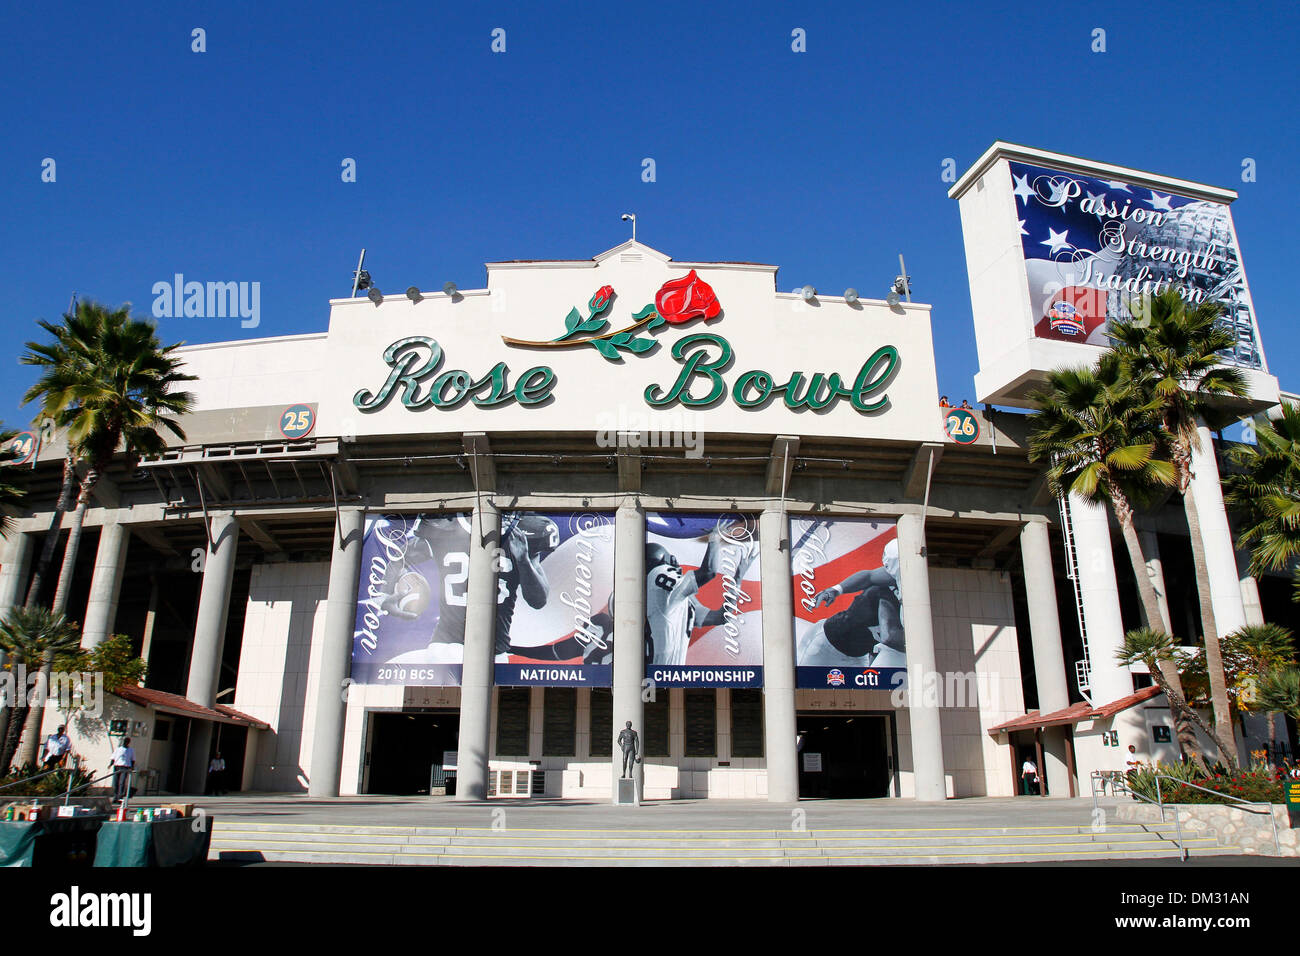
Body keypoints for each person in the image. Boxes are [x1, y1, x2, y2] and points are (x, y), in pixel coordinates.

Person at [645, 523, 758, 666]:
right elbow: (708, 572)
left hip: (668, 673)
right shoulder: (658, 578)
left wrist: (737, 579)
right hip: (659, 672)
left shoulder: (675, 603)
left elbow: (722, 617)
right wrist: (714, 538)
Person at [797, 539, 904, 667]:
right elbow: (890, 636)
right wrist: (836, 590)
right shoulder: (887, 587)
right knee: (802, 678)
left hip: (859, 654)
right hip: (827, 643)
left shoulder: (903, 577)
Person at [109, 737, 136, 803]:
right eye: (125, 741)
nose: (125, 743)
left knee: (122, 782)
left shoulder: (131, 750)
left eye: (127, 741)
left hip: (125, 767)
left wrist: (132, 767)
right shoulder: (118, 749)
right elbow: (113, 758)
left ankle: (120, 797)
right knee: (116, 782)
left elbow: (132, 759)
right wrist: (110, 764)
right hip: (117, 766)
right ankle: (115, 797)